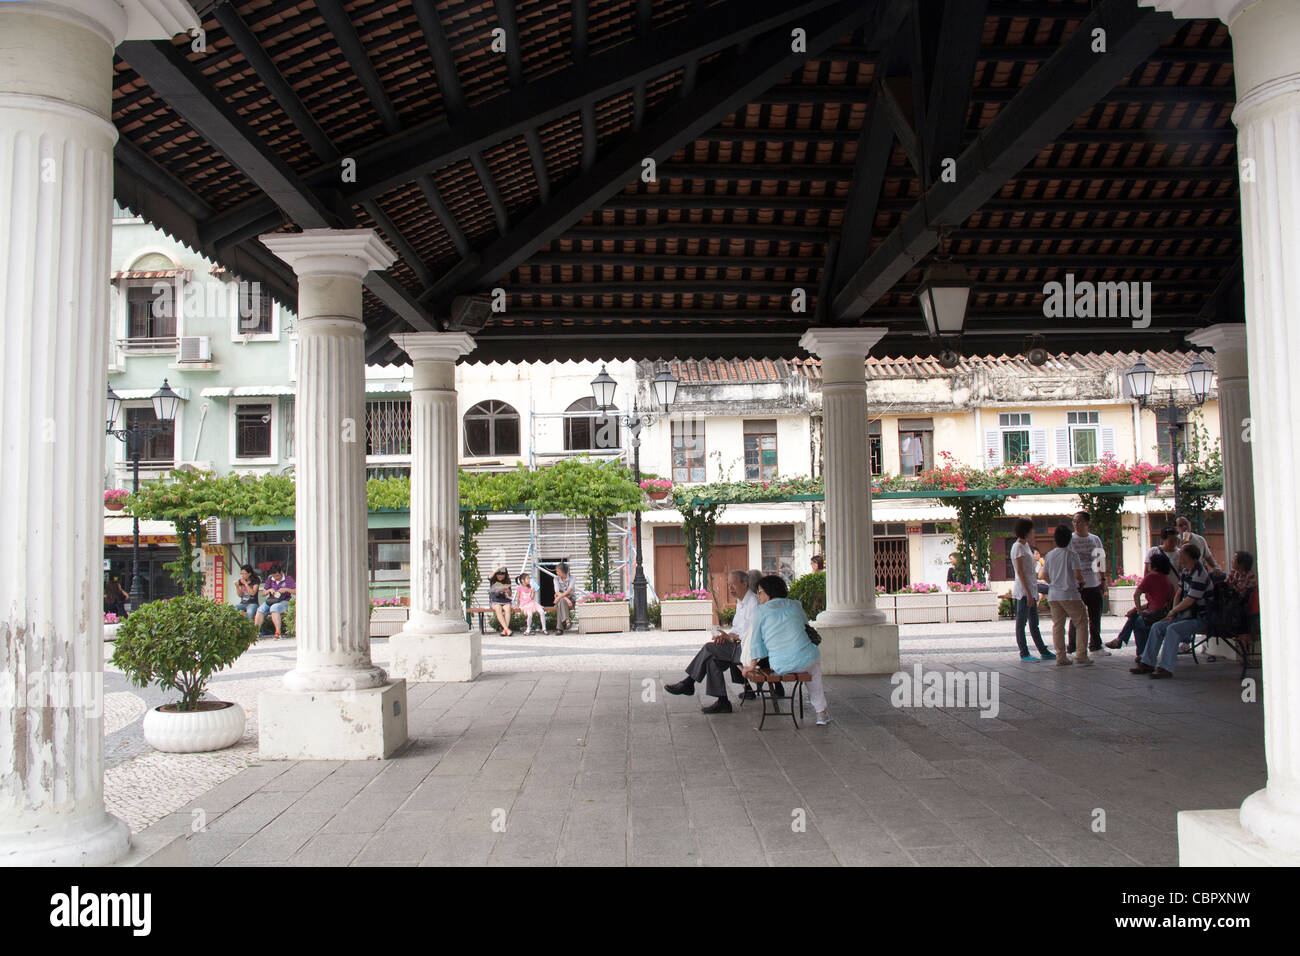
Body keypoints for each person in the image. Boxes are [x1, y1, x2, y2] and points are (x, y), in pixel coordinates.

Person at [665, 570, 761, 712]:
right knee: (711, 660)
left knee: (709, 649)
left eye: (733, 585)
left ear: (744, 584)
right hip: (737, 645)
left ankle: (689, 683)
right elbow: (737, 629)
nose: (730, 589)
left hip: (747, 649)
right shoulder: (741, 602)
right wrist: (724, 636)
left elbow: (750, 635)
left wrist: (729, 638)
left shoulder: (753, 602)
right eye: (729, 585)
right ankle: (722, 702)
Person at [746, 575, 830, 725]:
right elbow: (805, 627)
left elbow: (756, 641)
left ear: (769, 592)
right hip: (807, 658)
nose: (758, 596)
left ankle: (821, 711)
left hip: (781, 665)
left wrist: (751, 667)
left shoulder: (760, 611)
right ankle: (821, 712)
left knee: (806, 662)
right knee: (814, 670)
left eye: (760, 592)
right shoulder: (795, 605)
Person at [1131, 543, 1214, 679]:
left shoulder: (1200, 574)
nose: (1179, 556)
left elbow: (1191, 600)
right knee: (1157, 627)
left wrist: (1173, 611)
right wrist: (1174, 612)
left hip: (1200, 617)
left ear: (1189, 556)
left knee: (1173, 629)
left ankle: (1165, 667)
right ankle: (1147, 663)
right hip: (1186, 615)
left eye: (1182, 554)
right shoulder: (1187, 572)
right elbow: (1179, 593)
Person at [1105, 551, 1175, 657]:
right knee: (1134, 616)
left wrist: (1139, 610)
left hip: (1154, 615)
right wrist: (1136, 610)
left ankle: (1140, 653)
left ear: (1154, 565)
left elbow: (1136, 594)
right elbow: (1156, 602)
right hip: (1162, 613)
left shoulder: (1151, 577)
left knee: (1138, 622)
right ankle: (1123, 641)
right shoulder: (1168, 580)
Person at [1040, 523, 1091, 666]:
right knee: (1081, 622)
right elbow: (1077, 574)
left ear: (1055, 539)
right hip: (1070, 594)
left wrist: (1054, 582)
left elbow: (1044, 575)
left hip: (1054, 595)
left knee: (1058, 626)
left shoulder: (1049, 555)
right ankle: (1081, 654)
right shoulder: (1072, 554)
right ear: (1069, 539)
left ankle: (1061, 657)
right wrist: (1082, 581)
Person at [1010, 518, 1054, 662]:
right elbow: (1020, 572)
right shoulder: (1017, 547)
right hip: (1024, 590)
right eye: (1031, 530)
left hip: (1031, 587)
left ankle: (1043, 650)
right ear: (1025, 531)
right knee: (1021, 622)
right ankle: (1024, 652)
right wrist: (1028, 593)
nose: (1033, 532)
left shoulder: (1026, 546)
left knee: (1034, 622)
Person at [1066, 510, 1109, 656]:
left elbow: (1100, 560)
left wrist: (1102, 579)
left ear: (1087, 523)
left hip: (1093, 583)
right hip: (1076, 585)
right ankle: (1072, 647)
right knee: (1076, 617)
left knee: (1095, 615)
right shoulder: (1070, 540)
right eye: (1074, 521)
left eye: (1078, 521)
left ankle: (1096, 645)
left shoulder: (1095, 539)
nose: (1075, 524)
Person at [255, 563, 295, 638]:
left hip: (284, 601)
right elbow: (263, 593)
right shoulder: (270, 579)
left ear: (281, 573)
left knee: (274, 608)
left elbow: (296, 591)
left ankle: (278, 632)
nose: (276, 578)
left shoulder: (288, 579)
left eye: (277, 576)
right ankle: (256, 632)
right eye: (274, 576)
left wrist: (286, 589)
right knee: (260, 609)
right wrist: (269, 590)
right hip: (272, 600)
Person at [1146, 527, 1182, 594]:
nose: (1174, 543)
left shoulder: (1180, 553)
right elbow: (1147, 572)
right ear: (1163, 540)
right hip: (1157, 590)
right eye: (1171, 541)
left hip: (1175, 590)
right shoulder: (1153, 551)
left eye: (1176, 540)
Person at [553, 562, 577, 634]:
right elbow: (557, 591)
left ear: (563, 572)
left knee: (560, 602)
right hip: (563, 599)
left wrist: (559, 598)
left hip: (570, 599)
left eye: (558, 571)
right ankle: (566, 620)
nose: (557, 573)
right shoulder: (556, 579)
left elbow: (569, 590)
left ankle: (559, 629)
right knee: (562, 600)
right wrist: (565, 599)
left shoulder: (572, 577)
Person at [488, 567, 513, 636]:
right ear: (496, 574)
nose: (500, 576)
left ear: (505, 575)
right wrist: (497, 568)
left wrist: (507, 591)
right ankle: (506, 629)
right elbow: (489, 577)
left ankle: (505, 630)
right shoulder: (493, 581)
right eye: (498, 574)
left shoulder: (507, 581)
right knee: (498, 608)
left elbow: (510, 594)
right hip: (495, 600)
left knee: (508, 608)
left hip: (505, 600)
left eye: (502, 574)